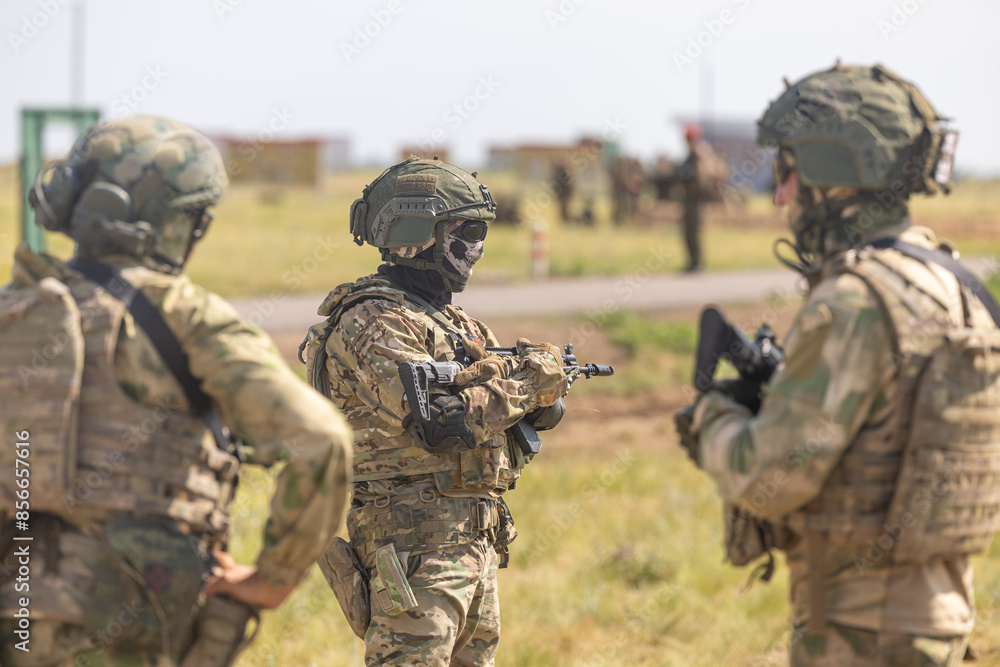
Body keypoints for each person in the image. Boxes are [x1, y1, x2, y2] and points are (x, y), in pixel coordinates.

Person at [0, 116, 352, 666]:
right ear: (182, 223)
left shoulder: (14, 309)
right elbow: (321, 436)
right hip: (128, 618)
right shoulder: (186, 316)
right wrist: (273, 578)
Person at [675, 63, 995, 666]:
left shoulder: (854, 300)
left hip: (861, 632)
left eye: (787, 172)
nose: (780, 196)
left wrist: (713, 416)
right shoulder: (958, 285)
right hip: (942, 617)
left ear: (826, 176)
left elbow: (770, 476)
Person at [303, 157, 568, 666]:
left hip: (474, 541)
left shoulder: (455, 323)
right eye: (467, 230)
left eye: (481, 231)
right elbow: (441, 422)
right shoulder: (371, 322)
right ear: (419, 231)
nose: (478, 246)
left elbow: (522, 416)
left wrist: (546, 390)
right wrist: (530, 380)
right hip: (412, 547)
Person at [675, 123, 725, 272]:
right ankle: (692, 261)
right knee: (688, 230)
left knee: (693, 230)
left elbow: (703, 176)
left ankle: (697, 263)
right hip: (689, 197)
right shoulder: (692, 154)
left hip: (695, 198)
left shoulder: (699, 153)